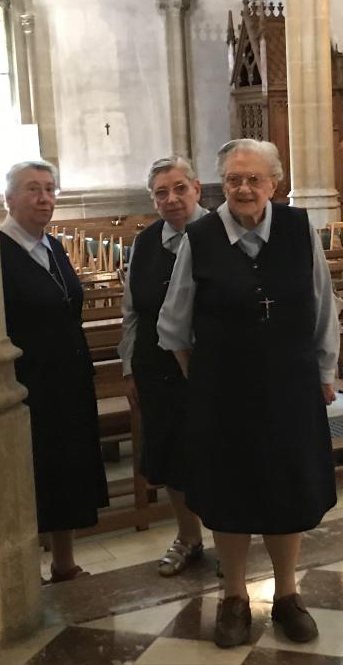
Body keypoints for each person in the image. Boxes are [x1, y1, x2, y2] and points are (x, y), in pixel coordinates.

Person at [157, 139, 339, 648]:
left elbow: (323, 309)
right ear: (222, 184)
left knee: (287, 489)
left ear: (273, 184)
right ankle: (234, 598)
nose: (242, 188)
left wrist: (325, 372)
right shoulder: (200, 236)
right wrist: (207, 378)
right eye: (234, 179)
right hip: (222, 397)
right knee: (230, 492)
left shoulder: (301, 231)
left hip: (291, 389)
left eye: (253, 179)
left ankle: (286, 595)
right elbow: (172, 326)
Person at [0, 160, 109, 582]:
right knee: (29, 476)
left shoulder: (51, 246)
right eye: (32, 189)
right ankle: (22, 576)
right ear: (9, 199)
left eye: (49, 189)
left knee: (66, 470)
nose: (44, 198)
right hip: (25, 384)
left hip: (68, 381)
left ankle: (64, 562)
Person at [117, 156, 208, 577]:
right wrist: (129, 367)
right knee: (171, 453)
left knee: (220, 450)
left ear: (197, 189)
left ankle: (232, 535)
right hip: (156, 365)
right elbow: (133, 310)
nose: (171, 199)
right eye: (161, 193)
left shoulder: (222, 233)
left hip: (212, 365)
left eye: (179, 188)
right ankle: (188, 537)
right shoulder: (146, 243)